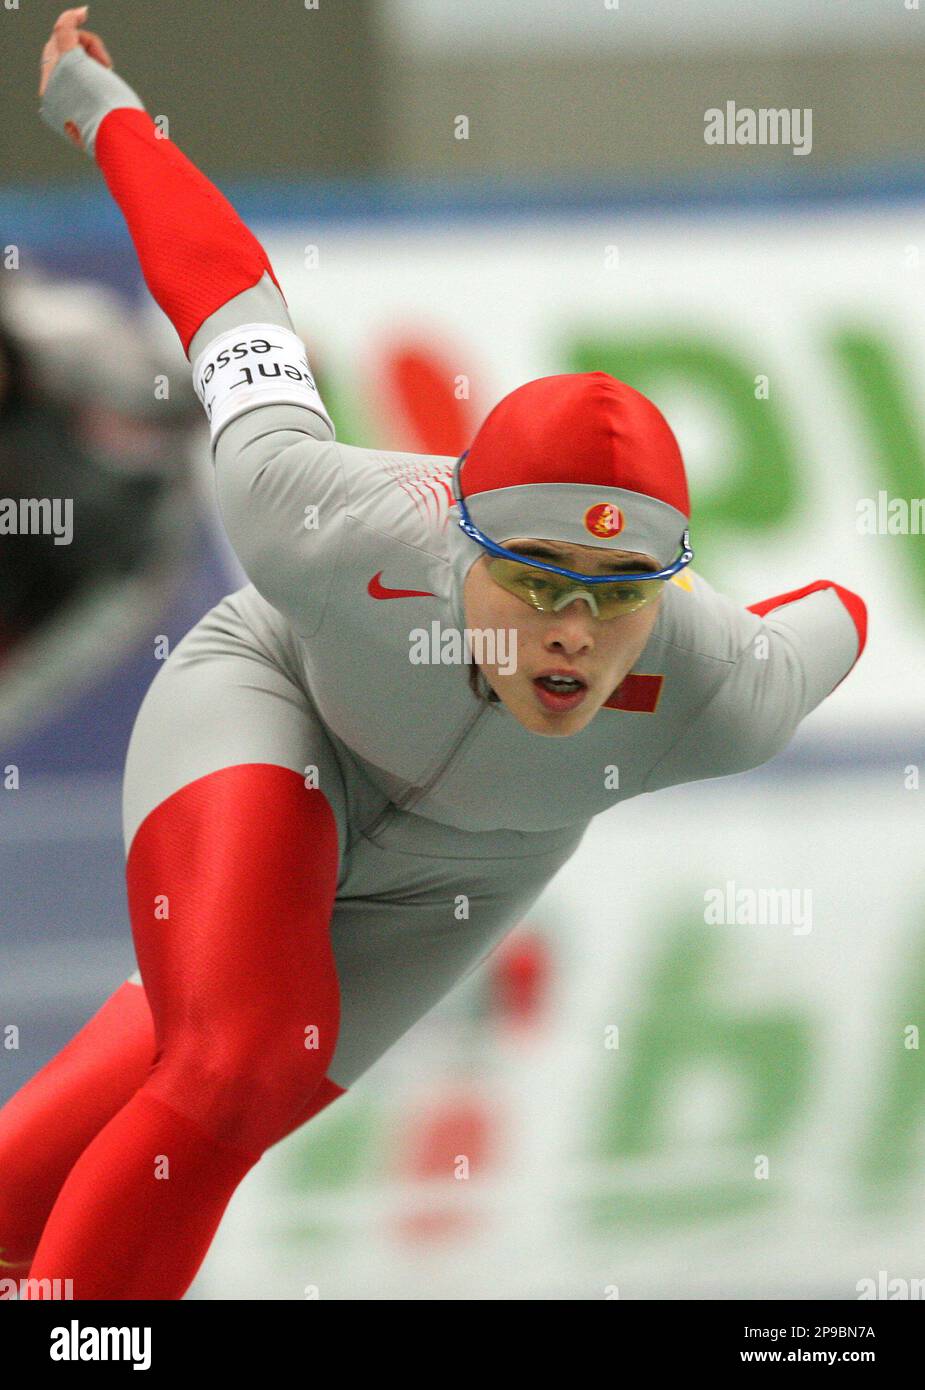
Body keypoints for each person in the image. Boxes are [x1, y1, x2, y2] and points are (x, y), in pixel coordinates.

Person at [0, 8, 867, 1300]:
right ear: (459, 543)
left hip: (469, 869)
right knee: (240, 1060)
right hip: (277, 709)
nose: (570, 630)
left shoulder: (719, 688)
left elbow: (832, 612)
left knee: (178, 1112)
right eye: (530, 583)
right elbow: (223, 284)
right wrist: (100, 110)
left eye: (616, 594)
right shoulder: (322, 514)